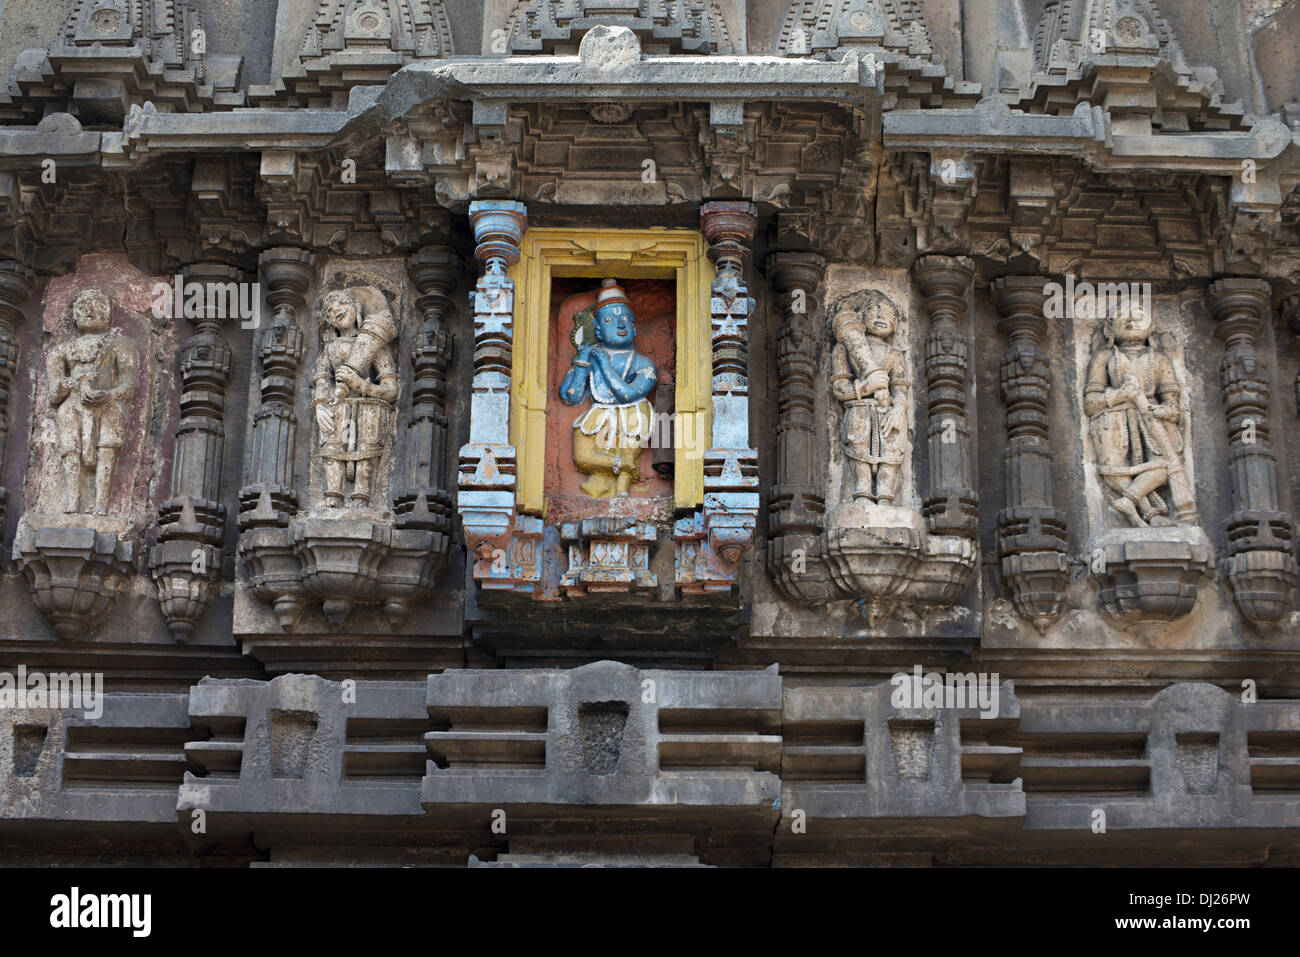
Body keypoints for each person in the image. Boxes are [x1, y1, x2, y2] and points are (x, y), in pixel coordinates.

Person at [1084, 303, 1192, 527]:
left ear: (1151, 326)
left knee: (1166, 466)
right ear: (1109, 329)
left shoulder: (1160, 360)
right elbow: (1091, 403)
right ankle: (1144, 510)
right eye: (1124, 316)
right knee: (1113, 473)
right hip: (1113, 422)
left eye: (1140, 316)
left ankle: (1128, 501)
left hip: (1151, 421)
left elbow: (1173, 406)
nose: (1132, 320)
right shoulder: (1104, 357)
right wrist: (1120, 395)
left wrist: (1160, 410)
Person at [559, 279, 658, 498]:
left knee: (634, 422)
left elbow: (628, 394)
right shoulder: (591, 358)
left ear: (634, 328)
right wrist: (582, 362)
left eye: (625, 319)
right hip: (598, 415)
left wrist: (604, 363)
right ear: (599, 331)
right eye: (611, 320)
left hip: (631, 413)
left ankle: (622, 487)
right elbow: (570, 397)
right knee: (582, 457)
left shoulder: (643, 364)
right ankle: (623, 465)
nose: (620, 325)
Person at [47, 288, 139, 515]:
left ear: (107, 314)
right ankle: (72, 501)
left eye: (96, 305)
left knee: (107, 450)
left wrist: (107, 395)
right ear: (75, 315)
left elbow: (129, 385)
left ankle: (101, 504)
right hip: (73, 404)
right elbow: (53, 395)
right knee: (71, 446)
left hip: (107, 403)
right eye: (83, 307)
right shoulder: (61, 351)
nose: (89, 310)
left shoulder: (121, 345)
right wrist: (64, 386)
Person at [311, 288, 400, 508]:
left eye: (342, 303)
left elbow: (391, 389)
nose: (336, 311)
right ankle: (333, 496)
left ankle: (362, 497)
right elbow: (322, 379)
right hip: (337, 408)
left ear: (357, 307)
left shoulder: (374, 346)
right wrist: (320, 404)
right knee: (333, 454)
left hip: (368, 410)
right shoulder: (330, 349)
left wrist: (361, 385)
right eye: (329, 310)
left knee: (365, 458)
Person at [830, 301, 910, 505]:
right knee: (859, 449)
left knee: (891, 451)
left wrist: (899, 408)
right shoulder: (844, 348)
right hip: (859, 411)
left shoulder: (894, 355)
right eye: (875, 310)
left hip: (887, 411)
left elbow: (900, 387)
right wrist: (865, 387)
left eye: (889, 313)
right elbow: (840, 388)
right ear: (862, 318)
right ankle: (862, 494)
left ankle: (885, 497)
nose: (882, 316)